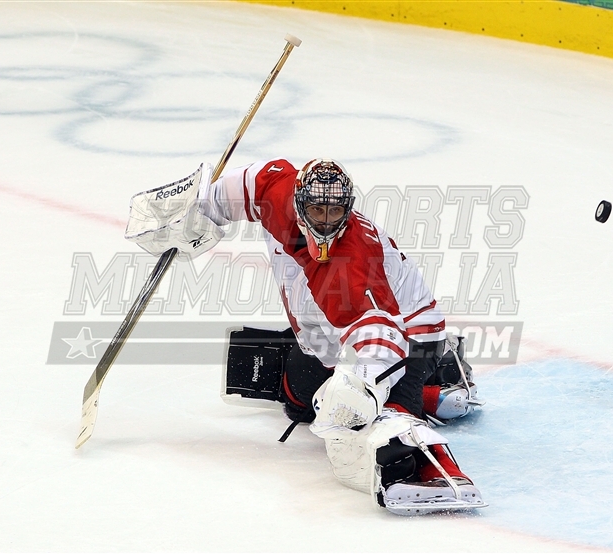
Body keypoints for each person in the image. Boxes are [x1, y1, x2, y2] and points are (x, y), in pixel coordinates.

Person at [125, 158, 485, 515]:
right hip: (332, 329)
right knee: (299, 398)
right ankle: (433, 391)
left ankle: (435, 464)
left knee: (371, 417)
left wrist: (362, 391)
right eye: (317, 209)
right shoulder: (276, 193)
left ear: (348, 208)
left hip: (410, 333)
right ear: (297, 203)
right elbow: (242, 188)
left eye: (335, 211)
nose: (326, 222)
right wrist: (194, 210)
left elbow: (383, 339)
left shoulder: (348, 264)